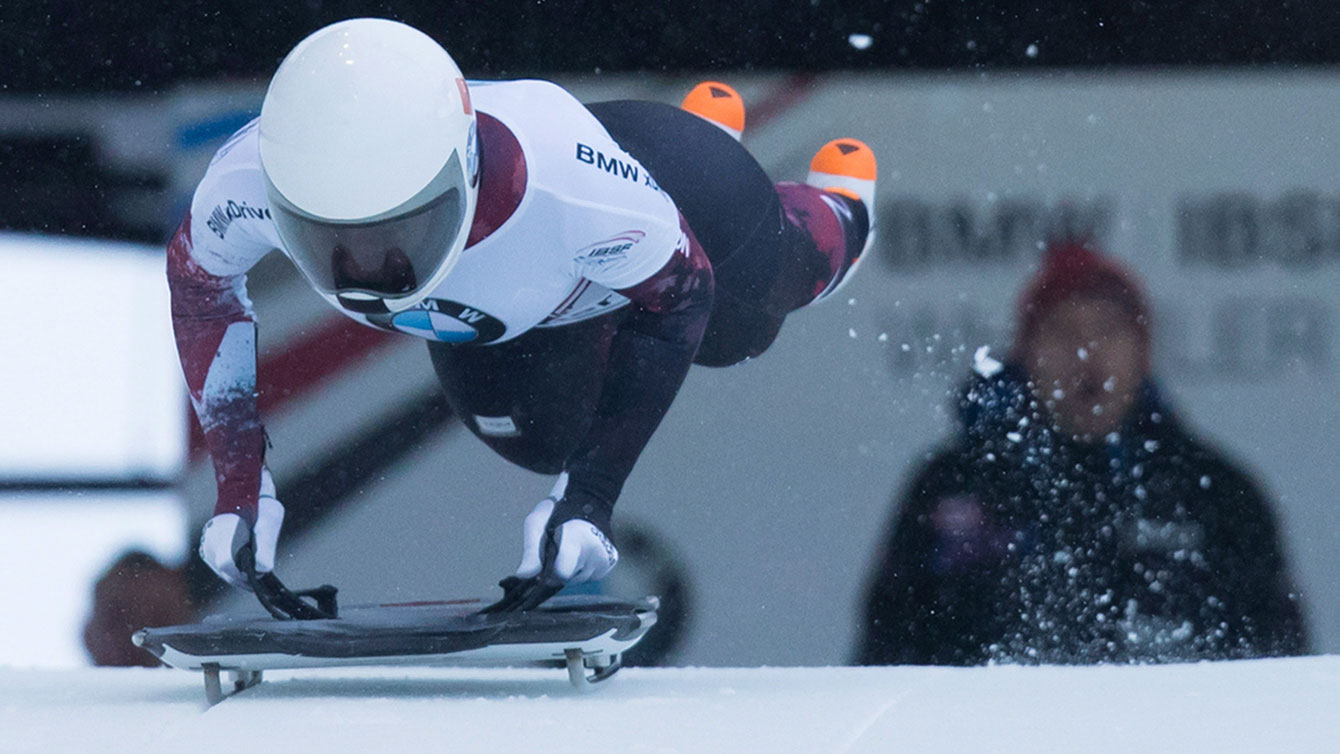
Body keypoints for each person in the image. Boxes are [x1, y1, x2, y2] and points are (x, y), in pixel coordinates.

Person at [169, 19, 877, 611]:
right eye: (328, 239)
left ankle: (830, 204)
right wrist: (239, 485)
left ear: (464, 175)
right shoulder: (247, 181)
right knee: (537, 442)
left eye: (397, 237)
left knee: (740, 332)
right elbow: (200, 286)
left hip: (667, 193)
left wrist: (593, 497)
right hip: (539, 290)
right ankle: (695, 160)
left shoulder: (575, 194)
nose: (366, 273)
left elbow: (681, 300)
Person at [857, 238, 1309, 665]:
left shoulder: (1215, 492)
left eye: (1109, 331)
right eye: (1061, 331)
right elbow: (885, 660)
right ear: (1026, 353)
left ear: (1143, 352)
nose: (1085, 352)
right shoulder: (952, 485)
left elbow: (1274, 667)